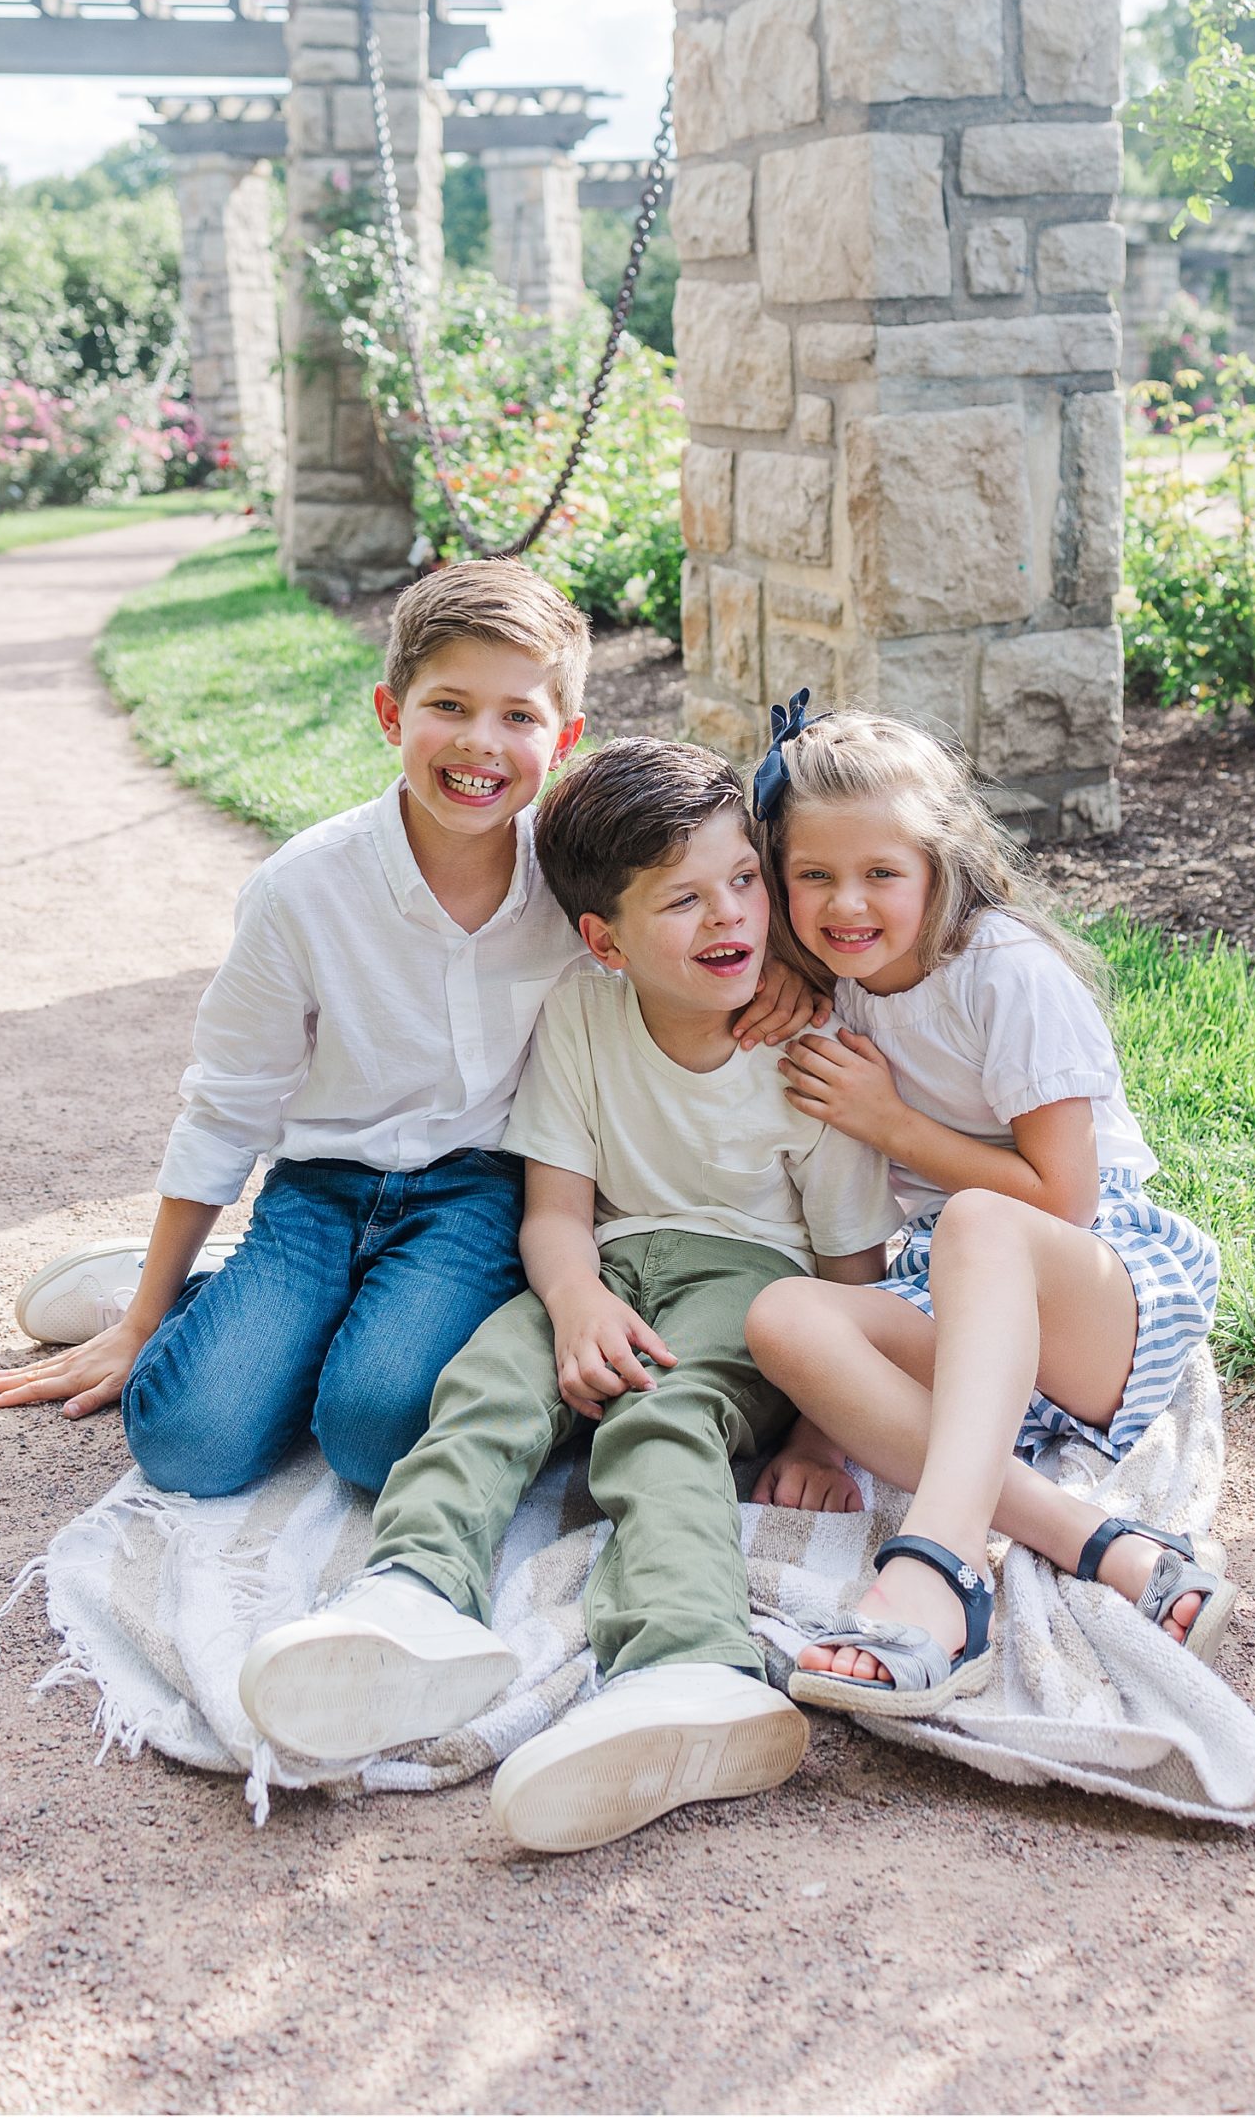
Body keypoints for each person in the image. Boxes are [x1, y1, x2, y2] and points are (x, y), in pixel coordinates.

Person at [0, 565, 809, 1498]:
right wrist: (139, 1324)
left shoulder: (578, 884)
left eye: (519, 717)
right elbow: (227, 1104)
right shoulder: (304, 891)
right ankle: (181, 1292)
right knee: (189, 1444)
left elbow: (691, 905)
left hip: (477, 1192)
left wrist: (783, 967)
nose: (481, 744)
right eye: (449, 705)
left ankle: (305, 1326)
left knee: (376, 1433)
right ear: (391, 713)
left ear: (564, 737)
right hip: (320, 1190)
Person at [234, 738, 900, 1851]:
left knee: (657, 1417)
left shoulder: (807, 1052)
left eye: (742, 881)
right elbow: (552, 1211)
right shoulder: (584, 1017)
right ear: (604, 941)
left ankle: (691, 1667)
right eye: (682, 900)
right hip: (605, 1260)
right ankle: (411, 1600)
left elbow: (849, 1267)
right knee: (485, 1382)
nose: (731, 916)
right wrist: (578, 1301)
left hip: (753, 1282)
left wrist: (825, 1441)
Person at [742, 702, 1236, 1720]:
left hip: (1098, 1291)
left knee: (973, 1218)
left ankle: (941, 1565)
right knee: (782, 1315)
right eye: (814, 876)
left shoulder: (1003, 971)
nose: (846, 903)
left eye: (880, 873)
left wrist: (889, 1121)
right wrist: (817, 1431)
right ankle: (1089, 1537)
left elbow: (1066, 1197)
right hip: (964, 1316)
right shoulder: (837, 982)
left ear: (940, 860)